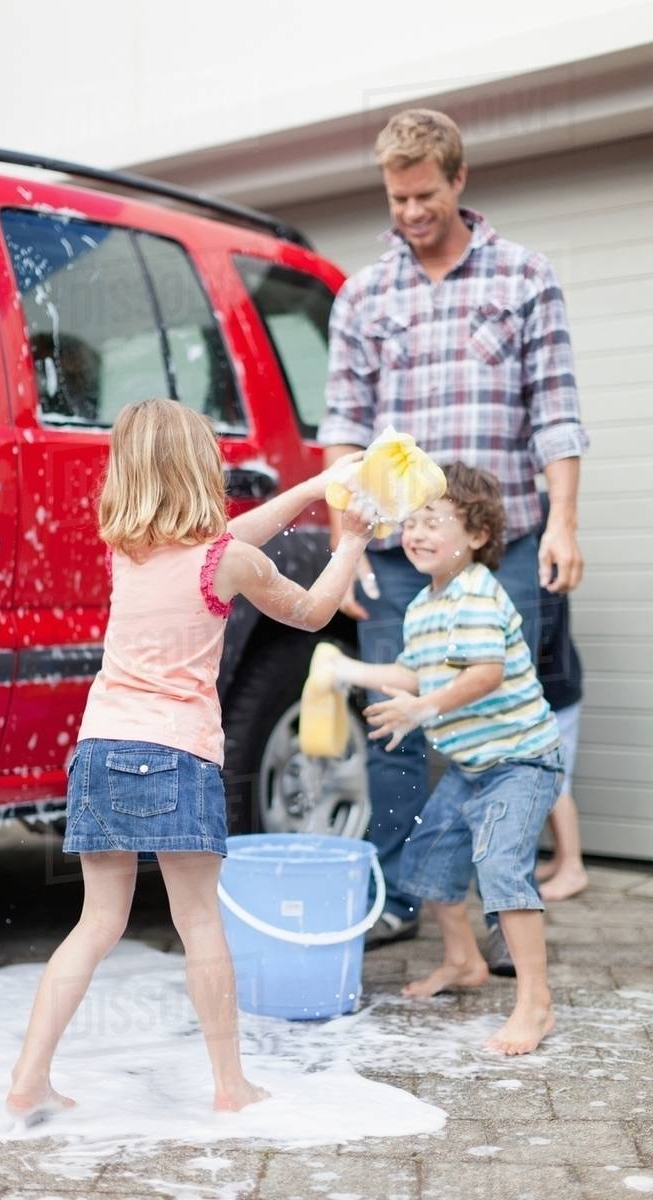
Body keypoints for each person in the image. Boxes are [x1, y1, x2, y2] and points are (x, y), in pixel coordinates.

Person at [4, 398, 376, 1126]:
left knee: (96, 922)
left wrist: (312, 489)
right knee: (200, 922)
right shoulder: (226, 562)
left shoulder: (127, 550)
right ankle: (230, 1085)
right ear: (200, 469)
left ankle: (28, 1077)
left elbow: (235, 533)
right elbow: (312, 612)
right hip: (178, 753)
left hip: (101, 748)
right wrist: (352, 541)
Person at [318, 107, 587, 957]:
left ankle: (508, 912)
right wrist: (344, 546)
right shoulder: (364, 295)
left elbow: (557, 413)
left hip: (503, 549)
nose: (410, 212)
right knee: (393, 723)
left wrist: (564, 522)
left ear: (459, 179)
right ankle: (396, 896)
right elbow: (343, 428)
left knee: (506, 723)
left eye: (424, 195)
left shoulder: (525, 276)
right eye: (396, 198)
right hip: (397, 553)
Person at [328, 463, 563, 1055]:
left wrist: (422, 708)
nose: (416, 532)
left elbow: (486, 673)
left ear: (478, 535)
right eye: (410, 522)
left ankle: (536, 1003)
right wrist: (348, 670)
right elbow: (415, 672)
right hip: (471, 766)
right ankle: (462, 960)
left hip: (521, 761)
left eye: (433, 521)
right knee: (430, 856)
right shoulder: (423, 605)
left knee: (502, 866)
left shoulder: (477, 593)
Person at [536, 496, 588, 901]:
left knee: (557, 781)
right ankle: (560, 858)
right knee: (551, 777)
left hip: (557, 692)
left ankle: (573, 867)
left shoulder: (544, 574)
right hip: (555, 687)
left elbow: (541, 632)